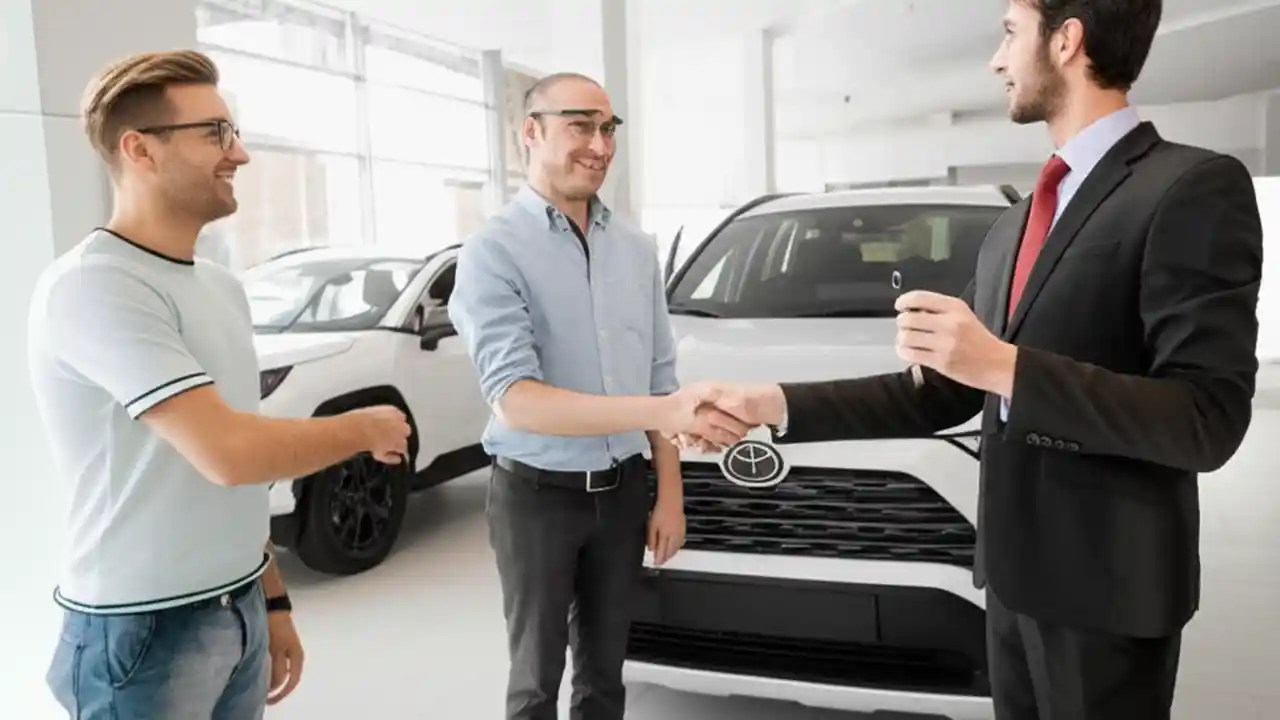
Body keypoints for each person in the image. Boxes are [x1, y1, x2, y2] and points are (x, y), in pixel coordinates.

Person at [675, 1, 1264, 718]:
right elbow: (937, 392)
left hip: (1108, 590)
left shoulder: (1188, 187)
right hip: (1010, 581)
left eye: (1011, 33)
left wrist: (1006, 367)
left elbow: (1207, 418)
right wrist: (771, 403)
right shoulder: (1016, 224)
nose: (996, 59)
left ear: (1068, 39)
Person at [28, 50, 411, 719]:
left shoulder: (218, 286)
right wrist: (367, 427)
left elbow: (231, 477)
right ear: (139, 150)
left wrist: (270, 596)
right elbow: (230, 453)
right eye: (216, 134)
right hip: (141, 629)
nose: (240, 155)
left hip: (235, 606)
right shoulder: (96, 285)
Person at [448, 72, 747, 720]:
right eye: (580, 125)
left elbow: (660, 376)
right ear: (531, 132)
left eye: (608, 128)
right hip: (535, 500)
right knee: (534, 682)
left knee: (607, 676)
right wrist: (660, 415)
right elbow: (517, 399)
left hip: (622, 497)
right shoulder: (492, 252)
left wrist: (669, 492)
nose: (600, 145)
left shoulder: (635, 250)